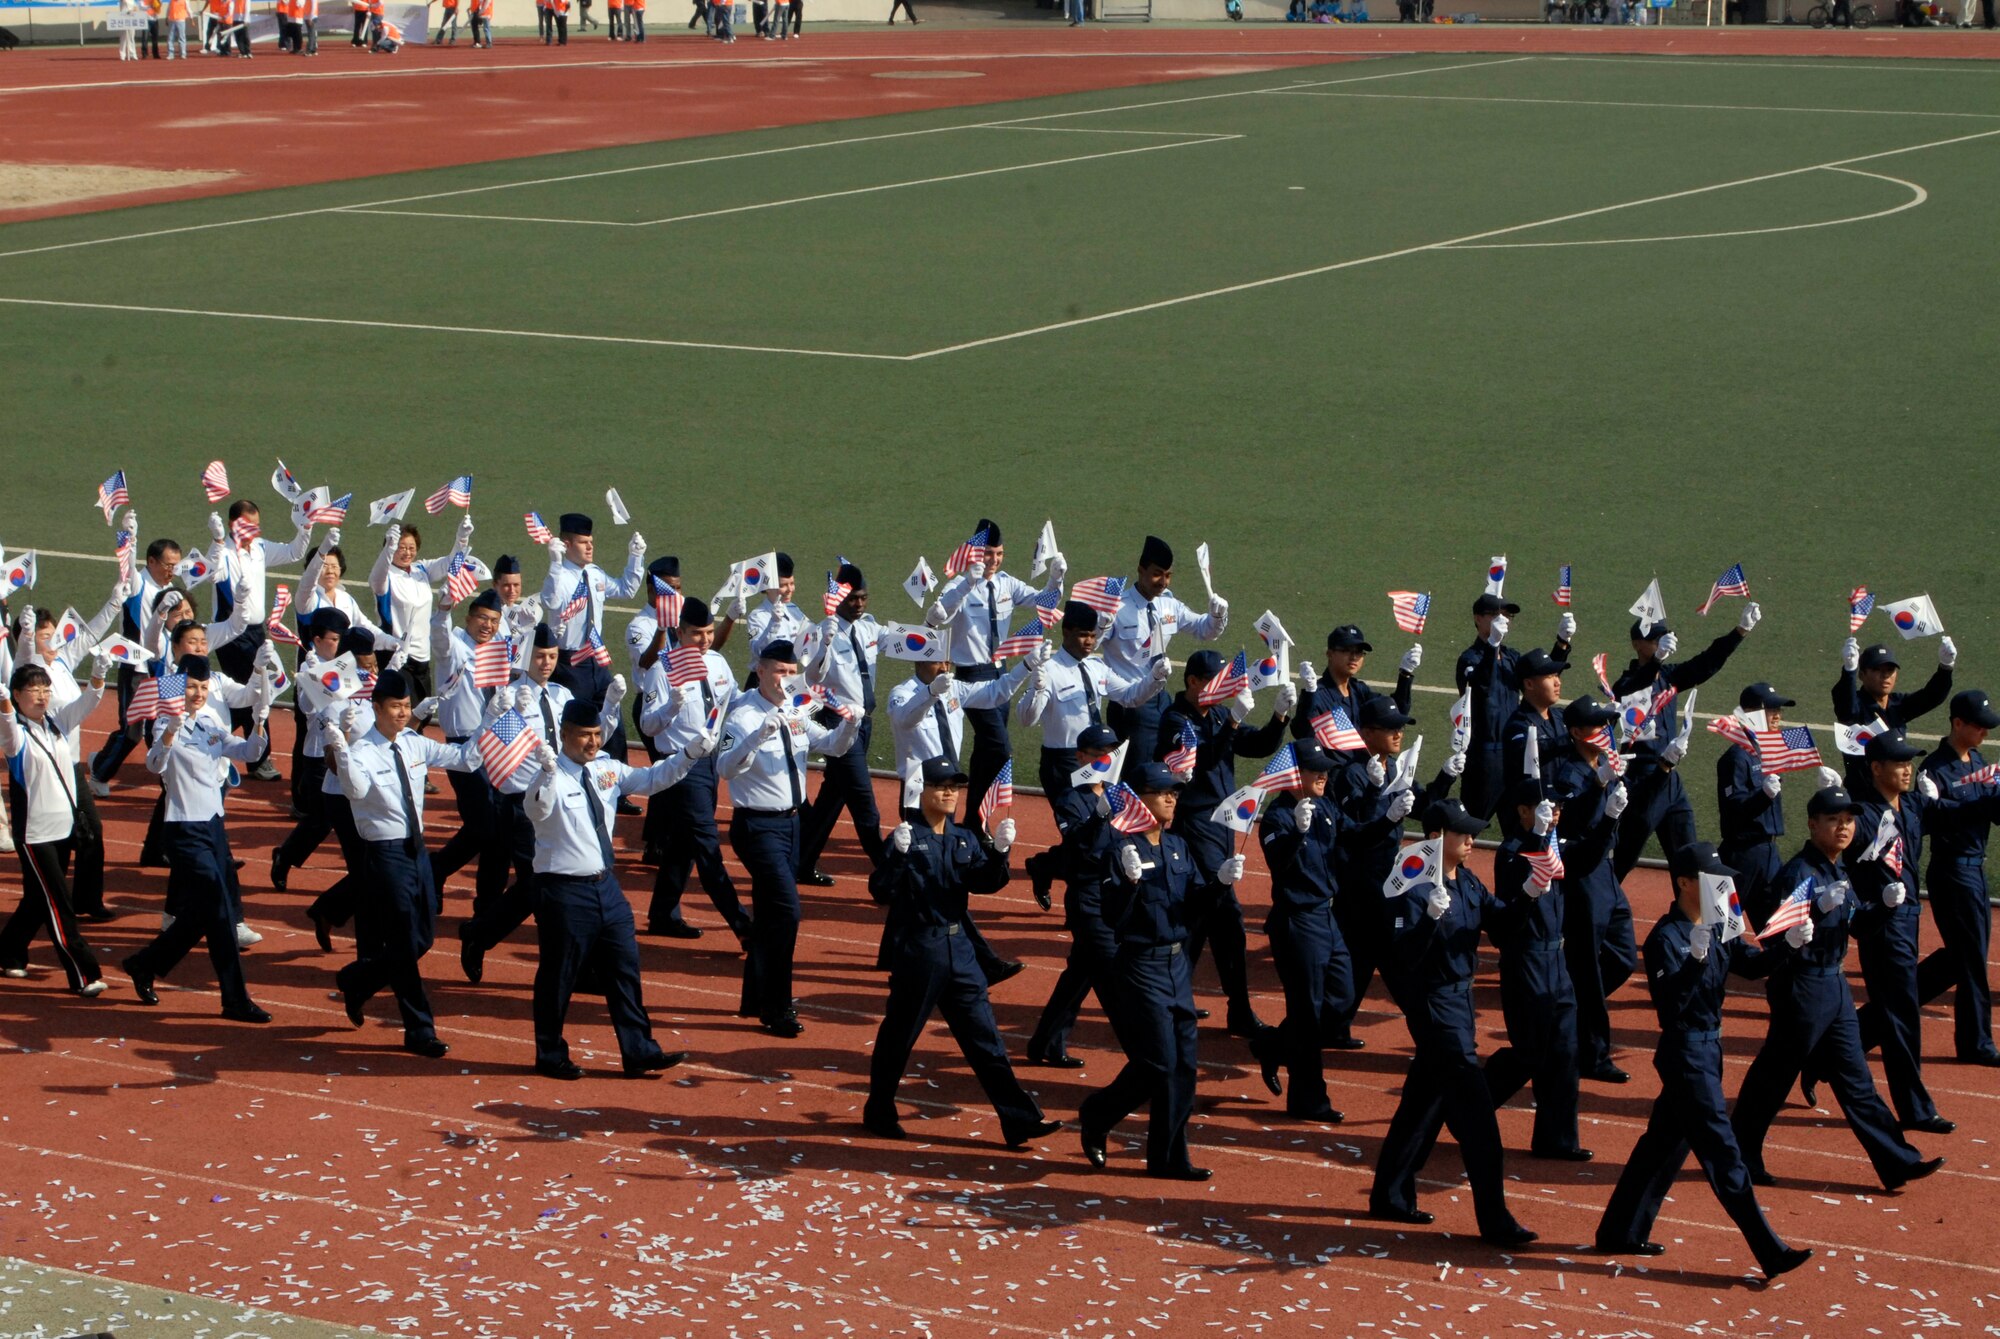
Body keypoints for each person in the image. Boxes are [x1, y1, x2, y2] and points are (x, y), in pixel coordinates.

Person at [1595, 841, 1811, 1279]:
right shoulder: (1664, 938)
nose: (1723, 884)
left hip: (1710, 1050)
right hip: (1686, 1053)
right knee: (1724, 1154)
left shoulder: (1720, 916)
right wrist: (1694, 962)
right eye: (1713, 878)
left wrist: (1787, 945)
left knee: (1663, 1145)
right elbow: (1670, 1006)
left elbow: (1751, 966)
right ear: (1684, 883)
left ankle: (1620, 1230)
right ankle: (1770, 1251)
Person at [1732, 784, 1943, 1191]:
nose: (1843, 827)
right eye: (1834, 820)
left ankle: (1897, 1161)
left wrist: (1885, 906)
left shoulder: (1838, 869)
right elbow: (1776, 936)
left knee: (1856, 1080)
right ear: (1813, 824)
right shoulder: (1799, 873)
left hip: (1835, 985)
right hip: (1802, 985)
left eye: (1848, 820)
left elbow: (1858, 925)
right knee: (1774, 1077)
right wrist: (1815, 907)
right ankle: (1738, 1154)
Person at [862, 757, 1062, 1147]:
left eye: (954, 787)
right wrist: (897, 856)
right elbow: (880, 892)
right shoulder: (905, 837)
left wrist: (1000, 851)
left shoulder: (963, 838)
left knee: (986, 1039)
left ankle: (1019, 1119)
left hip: (960, 950)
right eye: (941, 786)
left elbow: (984, 882)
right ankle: (879, 1109)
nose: (950, 793)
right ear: (922, 791)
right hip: (919, 949)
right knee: (900, 1036)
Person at [1369, 799, 1536, 1247]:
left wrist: (1530, 893)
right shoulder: (1411, 888)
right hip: (1435, 1007)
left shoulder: (1466, 880)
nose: (1471, 839)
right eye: (1462, 832)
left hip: (1461, 1004)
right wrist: (1428, 920)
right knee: (1478, 1120)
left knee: (1422, 1102)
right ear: (1436, 837)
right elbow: (1403, 957)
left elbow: (1503, 926)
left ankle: (1389, 1195)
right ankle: (1495, 1220)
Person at [521, 700, 708, 1079]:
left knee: (624, 968)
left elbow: (652, 779)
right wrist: (545, 774)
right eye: (584, 735)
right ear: (564, 734)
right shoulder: (550, 775)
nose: (593, 742)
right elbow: (536, 810)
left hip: (605, 886)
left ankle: (639, 1050)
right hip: (563, 890)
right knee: (559, 975)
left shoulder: (605, 769)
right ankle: (550, 1054)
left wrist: (689, 754)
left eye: (596, 734)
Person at [323, 668, 485, 1059]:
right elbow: (356, 790)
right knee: (401, 940)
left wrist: (492, 720)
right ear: (377, 708)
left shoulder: (413, 743)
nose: (402, 713)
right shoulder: (362, 751)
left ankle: (358, 979)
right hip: (385, 855)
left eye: (407, 706)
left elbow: (466, 759)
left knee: (422, 938)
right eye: (395, 706)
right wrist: (341, 751)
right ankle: (419, 1029)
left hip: (417, 851)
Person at [1079, 763, 1217, 1181]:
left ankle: (1169, 1158)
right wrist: (1128, 885)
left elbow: (1193, 905)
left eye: (1174, 792)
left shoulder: (1178, 846)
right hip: (1141, 965)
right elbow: (1112, 917)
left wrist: (1221, 886)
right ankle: (1098, 1114)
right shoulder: (1122, 850)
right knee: (1158, 1062)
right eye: (1162, 792)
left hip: (1177, 964)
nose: (1172, 798)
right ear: (1139, 799)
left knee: (1184, 1066)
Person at [718, 640, 861, 1036]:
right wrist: (756, 737)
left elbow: (829, 745)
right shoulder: (743, 716)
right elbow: (725, 768)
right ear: (761, 670)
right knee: (787, 913)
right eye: (779, 671)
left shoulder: (797, 705)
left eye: (791, 672)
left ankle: (754, 999)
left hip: (792, 824)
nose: (786, 679)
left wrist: (850, 724)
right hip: (757, 826)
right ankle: (778, 1007)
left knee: (769, 914)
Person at [1846, 730, 1986, 1132]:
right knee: (1902, 1015)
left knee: (1897, 1008)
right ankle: (1916, 1110)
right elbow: (1842, 864)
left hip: (1908, 919)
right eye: (1900, 763)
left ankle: (1822, 1057)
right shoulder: (1863, 815)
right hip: (1882, 924)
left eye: (1909, 762)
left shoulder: (1911, 804)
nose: (1908, 769)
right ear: (1877, 768)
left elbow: (1955, 813)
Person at [123, 657, 273, 1022]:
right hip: (184, 830)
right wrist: (171, 732)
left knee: (203, 914)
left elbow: (248, 752)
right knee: (220, 911)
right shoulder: (165, 722)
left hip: (214, 827)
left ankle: (145, 964)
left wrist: (259, 722)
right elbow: (155, 764)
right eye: (191, 686)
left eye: (204, 688)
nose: (198, 693)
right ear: (179, 687)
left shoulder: (210, 722)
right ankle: (234, 999)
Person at [1156, 650, 1295, 1040]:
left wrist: (1279, 716)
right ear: (1193, 681)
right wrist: (1233, 721)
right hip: (1195, 822)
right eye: (1215, 681)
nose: (1225, 688)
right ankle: (1219, 1007)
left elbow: (1256, 745)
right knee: (1220, 913)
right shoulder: (1176, 720)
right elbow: (1201, 762)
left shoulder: (1216, 714)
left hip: (1221, 823)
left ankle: (1182, 1001)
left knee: (1205, 917)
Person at [1322, 695, 1461, 1049]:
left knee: (1368, 959)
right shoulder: (1351, 774)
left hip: (1387, 882)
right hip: (1360, 885)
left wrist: (1445, 776)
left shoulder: (1395, 768)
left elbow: (1424, 807)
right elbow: (1358, 829)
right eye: (1390, 728)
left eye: (1400, 728)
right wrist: (1377, 798)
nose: (1399, 734)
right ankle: (1429, 1037)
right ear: (1367, 733)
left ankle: (1333, 1028)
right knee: (1378, 961)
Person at [923, 522, 1066, 825]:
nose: (994, 560)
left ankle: (974, 822)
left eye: (999, 554)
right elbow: (938, 617)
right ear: (976, 553)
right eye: (989, 553)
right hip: (971, 678)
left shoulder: (1006, 584)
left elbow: (1044, 602)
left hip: (1001, 675)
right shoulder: (959, 585)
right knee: (1000, 749)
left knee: (985, 752)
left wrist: (1056, 579)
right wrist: (967, 584)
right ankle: (972, 819)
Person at [1611, 603, 1760, 877]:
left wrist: (1739, 631)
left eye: (1663, 638)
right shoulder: (1625, 683)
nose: (1660, 643)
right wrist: (1656, 661)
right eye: (1654, 640)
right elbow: (1634, 689)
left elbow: (1705, 664)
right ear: (1637, 645)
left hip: (1669, 780)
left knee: (1690, 858)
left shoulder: (1670, 677)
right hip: (1642, 781)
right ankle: (1595, 899)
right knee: (1624, 858)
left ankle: (1692, 903)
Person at [1484, 776, 1590, 1160]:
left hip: (1556, 960)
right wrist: (1538, 838)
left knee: (1565, 1052)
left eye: (1558, 807)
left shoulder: (1553, 846)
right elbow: (1516, 883)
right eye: (1548, 808)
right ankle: (1468, 1102)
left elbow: (1587, 858)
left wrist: (1611, 818)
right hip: (1526, 959)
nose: (1556, 812)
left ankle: (1556, 1139)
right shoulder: (1512, 850)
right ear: (1523, 811)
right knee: (1530, 1052)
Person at [637, 597, 751, 940]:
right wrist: (671, 707)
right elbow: (648, 725)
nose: (705, 640)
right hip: (681, 766)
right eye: (697, 634)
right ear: (680, 632)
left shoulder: (716, 662)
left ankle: (662, 914)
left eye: (709, 632)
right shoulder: (662, 670)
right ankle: (744, 927)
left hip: (710, 763)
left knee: (683, 844)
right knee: (706, 846)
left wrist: (770, 696)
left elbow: (735, 700)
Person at [0, 656, 111, 996]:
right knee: (59, 904)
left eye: (46, 689)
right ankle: (84, 975)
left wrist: (98, 675)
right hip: (36, 834)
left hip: (64, 830)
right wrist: (2, 701)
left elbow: (87, 702)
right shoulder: (16, 736)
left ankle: (8, 951)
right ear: (17, 695)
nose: (42, 696)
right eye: (33, 690)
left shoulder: (57, 723)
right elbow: (6, 722)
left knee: (38, 898)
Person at [16, 592, 124, 921]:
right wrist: (25, 635)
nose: (52, 641)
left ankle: (85, 900)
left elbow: (91, 633)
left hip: (71, 765)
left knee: (90, 832)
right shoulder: (28, 670)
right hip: (42, 769)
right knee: (53, 841)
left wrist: (115, 601)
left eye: (53, 633)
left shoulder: (61, 661)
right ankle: (44, 902)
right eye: (43, 635)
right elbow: (22, 660)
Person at [1547, 694, 1634, 1083]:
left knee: (1623, 957)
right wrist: (1598, 787)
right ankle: (1593, 1055)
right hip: (1584, 876)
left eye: (1607, 724)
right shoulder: (1570, 775)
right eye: (1599, 725)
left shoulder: (1603, 765)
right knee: (1588, 969)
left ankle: (1569, 1006)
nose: (1606, 731)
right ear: (1578, 732)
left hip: (1606, 873)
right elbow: (1570, 825)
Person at [1255, 741, 1345, 1121]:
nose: (1324, 775)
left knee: (1341, 999)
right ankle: (1309, 1100)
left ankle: (1274, 1044)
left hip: (1327, 917)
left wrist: (1388, 815)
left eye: (1325, 769)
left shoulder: (1323, 805)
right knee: (1308, 1014)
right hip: (1298, 921)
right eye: (1316, 769)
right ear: (1295, 775)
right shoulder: (1278, 818)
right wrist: (1296, 831)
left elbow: (1352, 835)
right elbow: (1279, 862)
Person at [1024, 723, 1121, 1069]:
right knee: (1114, 975)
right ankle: (1145, 1049)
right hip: (1088, 897)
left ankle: (1045, 1043)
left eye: (1111, 754)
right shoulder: (1071, 798)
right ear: (1081, 757)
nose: (1106, 760)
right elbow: (1079, 846)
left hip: (1113, 893)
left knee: (1079, 975)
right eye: (1099, 755)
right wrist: (1098, 818)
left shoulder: (1117, 791)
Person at [1912, 690, 2000, 1064]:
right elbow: (1931, 818)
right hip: (1952, 871)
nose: (1985, 732)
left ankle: (1895, 1001)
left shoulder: (1978, 762)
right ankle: (1976, 1043)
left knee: (1961, 959)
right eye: (1978, 726)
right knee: (1971, 960)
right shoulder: (1934, 770)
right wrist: (1982, 803)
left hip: (1974, 870)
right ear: (1958, 723)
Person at [208, 499, 317, 779]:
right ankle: (256, 758)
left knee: (260, 689)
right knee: (255, 690)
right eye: (249, 525)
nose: (255, 531)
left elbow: (294, 552)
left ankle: (210, 736)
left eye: (257, 525)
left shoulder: (259, 548)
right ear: (233, 524)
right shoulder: (223, 553)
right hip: (231, 633)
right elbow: (212, 571)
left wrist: (305, 528)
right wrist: (217, 541)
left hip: (256, 633)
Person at [1098, 536, 1225, 767]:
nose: (1163, 582)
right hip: (1130, 706)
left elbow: (1204, 630)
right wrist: (1100, 625)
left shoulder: (1168, 604)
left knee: (1167, 768)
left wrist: (1218, 616)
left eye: (1168, 575)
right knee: (1137, 771)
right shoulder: (1116, 608)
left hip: (1161, 701)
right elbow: (1091, 644)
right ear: (1141, 570)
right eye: (1157, 574)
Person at [797, 562, 885, 884]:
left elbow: (903, 641)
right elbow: (811, 676)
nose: (859, 604)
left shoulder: (868, 628)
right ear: (839, 599)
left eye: (863, 598)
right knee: (864, 806)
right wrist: (825, 644)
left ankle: (801, 862)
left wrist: (932, 625)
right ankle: (892, 876)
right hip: (839, 722)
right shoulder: (823, 632)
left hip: (864, 724)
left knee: (833, 798)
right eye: (853, 599)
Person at [1455, 594, 1576, 819]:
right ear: (1478, 618)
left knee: (1519, 821)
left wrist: (1562, 643)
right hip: (1485, 755)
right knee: (1472, 821)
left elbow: (1539, 678)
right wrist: (1492, 646)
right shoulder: (1469, 659)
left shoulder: (1511, 657)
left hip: (1515, 753)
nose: (1503, 619)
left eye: (1507, 615)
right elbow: (1481, 684)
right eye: (1495, 614)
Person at [540, 512, 644, 770]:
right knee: (578, 726)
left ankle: (617, 778)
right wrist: (554, 563)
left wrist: (635, 556)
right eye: (583, 542)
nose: (590, 547)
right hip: (569, 664)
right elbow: (550, 600)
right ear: (567, 544)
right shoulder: (560, 577)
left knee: (612, 716)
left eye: (591, 542)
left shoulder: (594, 574)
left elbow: (626, 590)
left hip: (596, 659)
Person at [90, 522, 178, 795]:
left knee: (163, 728)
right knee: (131, 731)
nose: (172, 570)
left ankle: (170, 783)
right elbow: (127, 565)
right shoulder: (138, 583)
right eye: (167, 564)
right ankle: (100, 773)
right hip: (136, 667)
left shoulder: (171, 588)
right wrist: (131, 536)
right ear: (151, 562)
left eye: (175, 565)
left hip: (164, 670)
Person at [372, 516, 477, 709]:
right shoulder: (386, 577)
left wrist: (462, 538)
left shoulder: (421, 569)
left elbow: (450, 564)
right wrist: (388, 549)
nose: (407, 552)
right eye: (401, 547)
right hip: (396, 655)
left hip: (422, 657)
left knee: (422, 712)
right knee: (400, 713)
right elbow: (376, 577)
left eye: (411, 548)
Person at [1833, 637, 1955, 789]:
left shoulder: (1897, 705)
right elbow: (1846, 708)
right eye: (1877, 670)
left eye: (1890, 670)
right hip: (1863, 794)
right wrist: (1849, 671)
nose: (1885, 675)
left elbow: (1931, 697)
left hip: (1894, 791)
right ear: (1862, 675)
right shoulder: (1856, 704)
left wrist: (1946, 667)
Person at [1716, 682, 1798, 909]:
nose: (1777, 715)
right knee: (1723, 921)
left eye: (1778, 710)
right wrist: (1764, 795)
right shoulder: (1736, 758)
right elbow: (1734, 807)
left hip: (1769, 852)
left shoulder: (1768, 752)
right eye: (1771, 710)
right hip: (1743, 855)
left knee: (1776, 923)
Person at [1290, 624, 1416, 756]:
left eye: (1359, 652)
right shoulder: (1317, 694)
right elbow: (1302, 732)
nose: (1354, 657)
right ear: (1330, 654)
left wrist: (1405, 674)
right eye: (1346, 650)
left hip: (1365, 765)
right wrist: (1309, 693)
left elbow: (1394, 714)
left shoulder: (1359, 690)